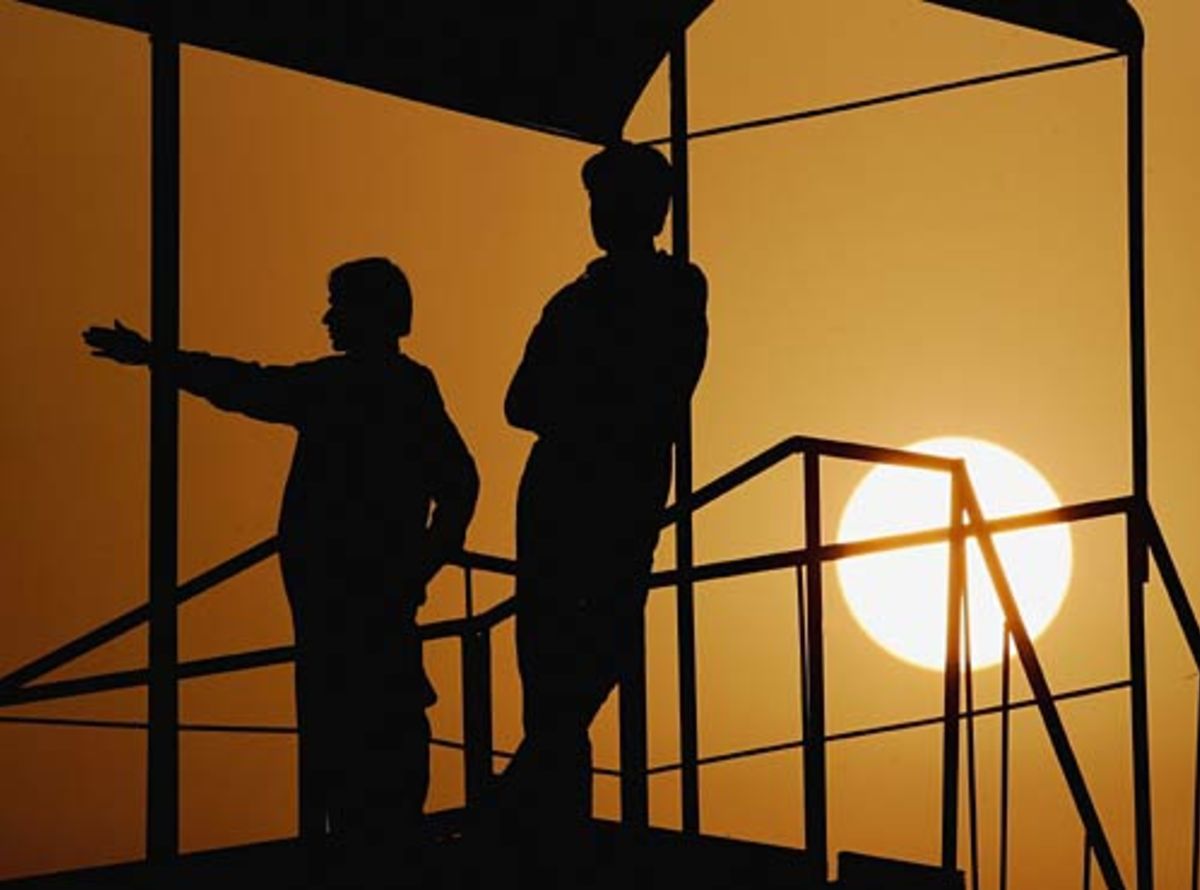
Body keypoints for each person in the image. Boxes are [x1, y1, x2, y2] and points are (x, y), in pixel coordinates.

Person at [82, 257, 479, 889]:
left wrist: (156, 357)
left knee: (351, 722)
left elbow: (247, 386)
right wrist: (421, 563)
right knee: (376, 715)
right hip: (360, 597)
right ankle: (375, 841)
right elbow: (459, 484)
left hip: (349, 601)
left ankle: (366, 850)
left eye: (338, 304)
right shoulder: (402, 387)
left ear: (372, 313)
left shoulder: (353, 387)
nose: (326, 317)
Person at [498, 141, 708, 882]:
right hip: (559, 495)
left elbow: (661, 389)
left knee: (601, 641)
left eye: (613, 201)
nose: (602, 216)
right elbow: (518, 402)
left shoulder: (676, 290)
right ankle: (543, 797)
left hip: (613, 496)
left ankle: (529, 788)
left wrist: (583, 403)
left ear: (649, 210)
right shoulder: (573, 300)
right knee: (550, 653)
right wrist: (600, 402)